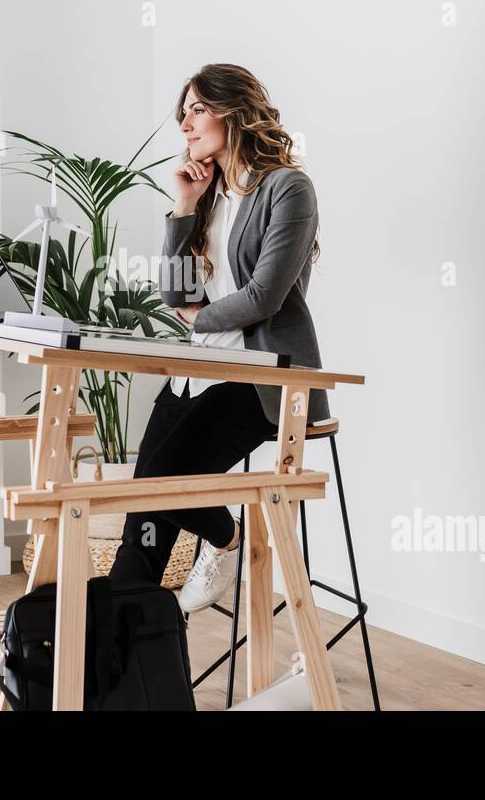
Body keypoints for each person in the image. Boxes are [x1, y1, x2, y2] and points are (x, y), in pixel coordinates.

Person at [108, 62, 330, 613]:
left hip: (259, 377)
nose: (185, 124)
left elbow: (263, 297)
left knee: (163, 477)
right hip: (195, 373)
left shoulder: (288, 188)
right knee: (144, 509)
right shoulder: (206, 195)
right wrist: (183, 208)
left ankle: (228, 537)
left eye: (198, 109)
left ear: (235, 110)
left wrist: (196, 319)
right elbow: (174, 294)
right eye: (182, 114)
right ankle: (118, 648)